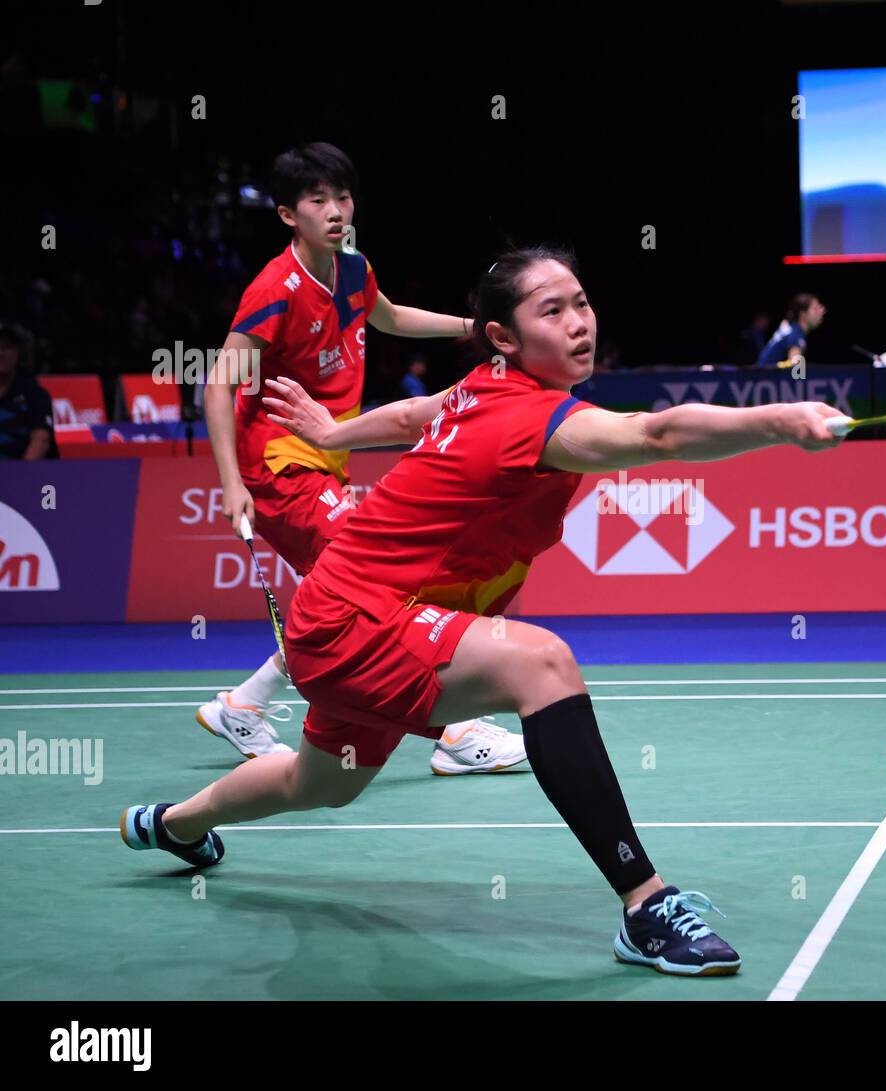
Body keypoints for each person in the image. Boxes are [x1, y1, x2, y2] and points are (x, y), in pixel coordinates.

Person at [121, 246, 846, 976]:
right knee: (543, 663)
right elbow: (653, 434)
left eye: (582, 303)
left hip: (361, 614)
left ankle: (175, 823)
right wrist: (780, 421)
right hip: (354, 619)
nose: (579, 323)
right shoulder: (535, 420)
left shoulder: (482, 386)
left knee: (321, 783)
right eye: (552, 311)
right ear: (504, 336)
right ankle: (644, 903)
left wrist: (332, 433)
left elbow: (415, 413)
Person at [199, 142, 526, 774]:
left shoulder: (352, 266)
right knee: (378, 584)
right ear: (288, 215)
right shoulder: (274, 289)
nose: (336, 210)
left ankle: (245, 704)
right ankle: (453, 733)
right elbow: (218, 383)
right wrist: (229, 484)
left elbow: (392, 317)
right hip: (275, 466)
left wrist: (470, 327)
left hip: (324, 458)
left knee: (348, 597)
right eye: (318, 200)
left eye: (343, 196)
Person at [0, 324, 58, 460]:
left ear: (18, 353)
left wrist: (21, 476)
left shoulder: (34, 394)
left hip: (23, 474)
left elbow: (41, 439)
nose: (1, 353)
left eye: (7, 347)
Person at [755, 293, 826, 367]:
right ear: (803, 314)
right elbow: (795, 365)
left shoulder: (791, 327)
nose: (822, 311)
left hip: (762, 374)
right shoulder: (795, 333)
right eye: (815, 309)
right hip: (764, 376)